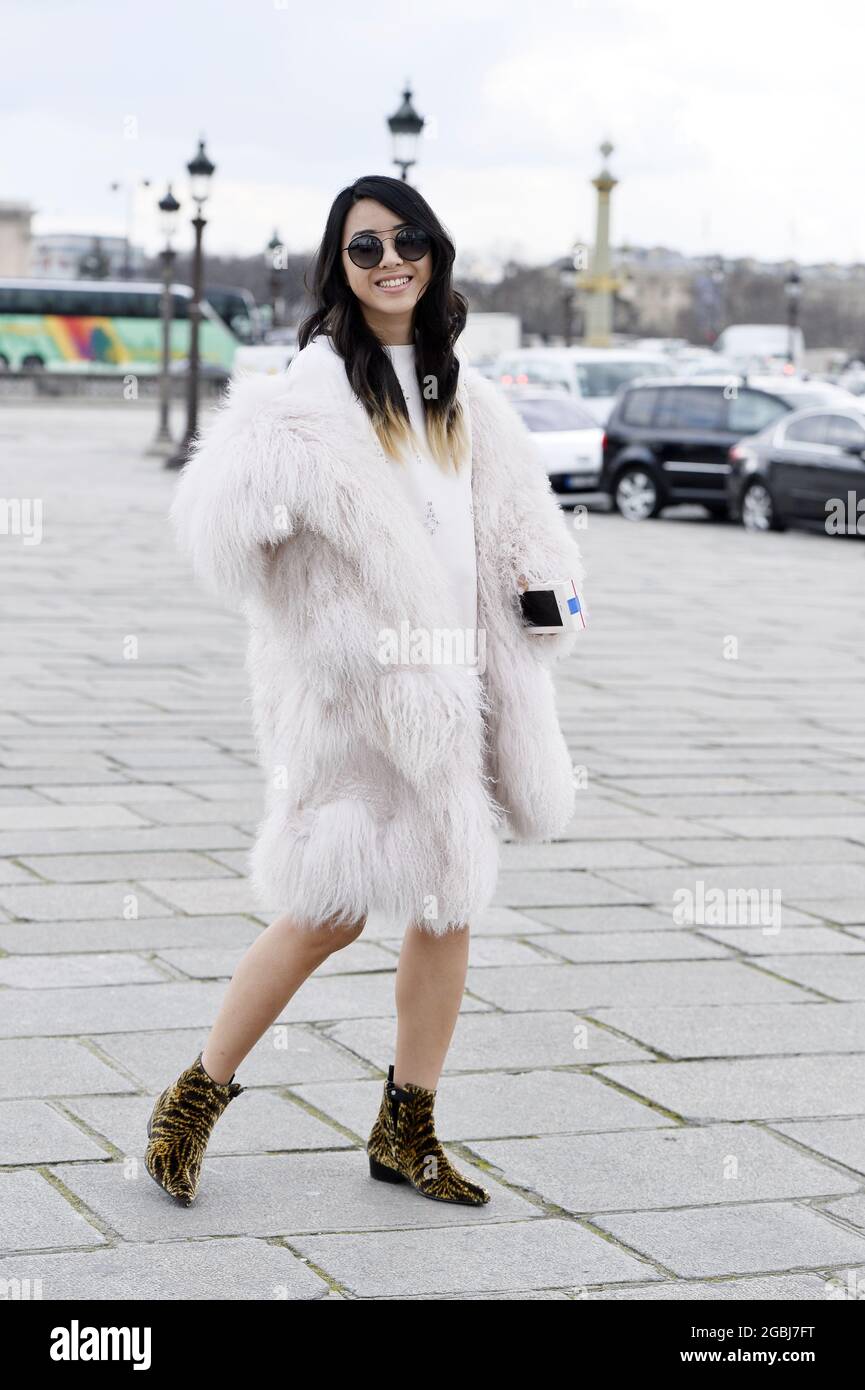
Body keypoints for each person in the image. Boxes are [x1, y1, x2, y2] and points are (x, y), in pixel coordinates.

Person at [145, 173, 585, 1210]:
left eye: (407, 241)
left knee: (448, 902)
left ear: (435, 252)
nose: (390, 260)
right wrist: (272, 507)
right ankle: (192, 1099)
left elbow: (514, 518)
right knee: (325, 906)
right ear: (337, 267)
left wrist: (543, 587)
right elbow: (218, 518)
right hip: (356, 691)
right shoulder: (306, 389)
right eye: (365, 247)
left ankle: (408, 1128)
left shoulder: (460, 388)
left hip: (456, 679)